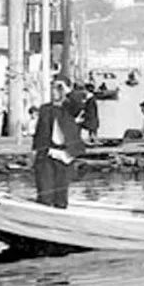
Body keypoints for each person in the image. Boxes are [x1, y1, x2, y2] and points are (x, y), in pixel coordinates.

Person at [31, 77, 85, 208]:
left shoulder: (70, 109)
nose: (55, 91)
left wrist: (67, 91)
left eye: (58, 88)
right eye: (53, 88)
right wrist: (34, 151)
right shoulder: (45, 109)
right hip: (47, 152)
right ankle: (43, 211)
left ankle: (59, 211)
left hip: (65, 153)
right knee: (45, 190)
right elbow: (40, 132)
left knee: (61, 192)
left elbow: (78, 104)